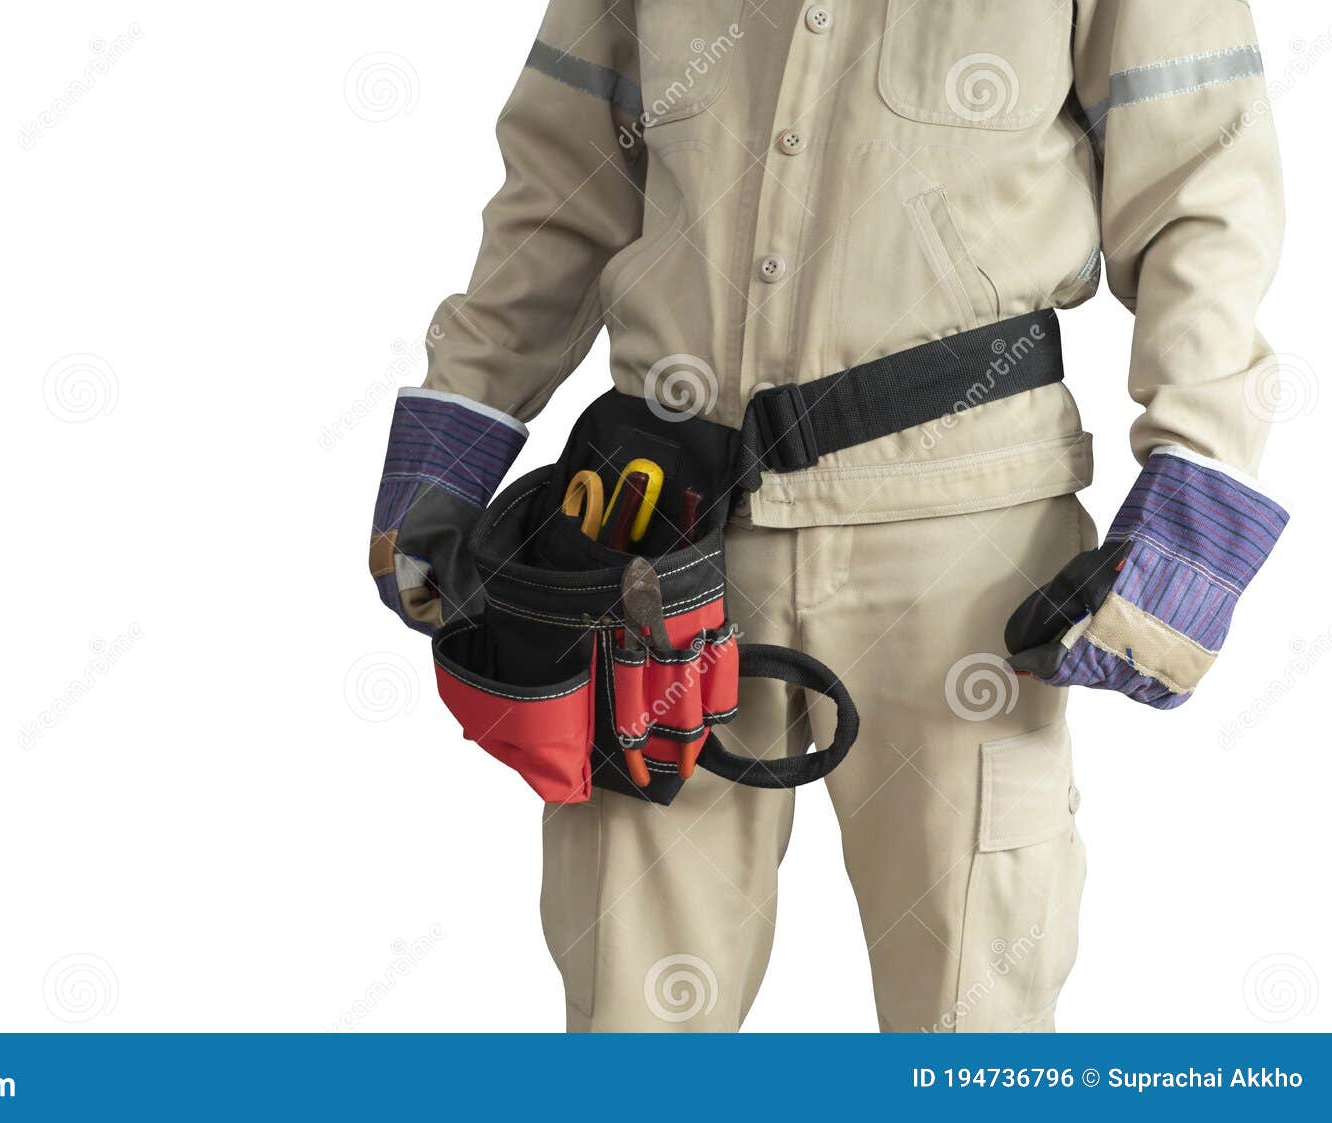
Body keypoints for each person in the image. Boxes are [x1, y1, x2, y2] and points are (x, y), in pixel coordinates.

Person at [369, 0, 1288, 1031]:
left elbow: (1203, 192)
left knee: (969, 1028)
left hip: (966, 555)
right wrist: (452, 441)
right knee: (628, 1019)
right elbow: (562, 182)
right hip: (661, 540)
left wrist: (1195, 499)